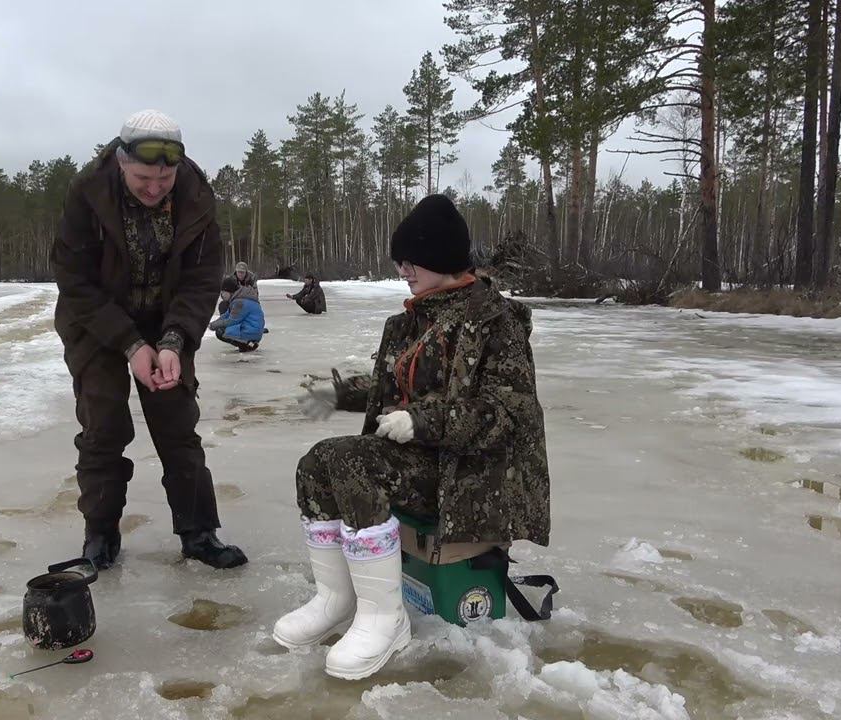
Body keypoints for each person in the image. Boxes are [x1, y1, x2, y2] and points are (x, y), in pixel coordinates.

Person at [271, 194, 550, 680]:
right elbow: (391, 385)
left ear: (442, 257)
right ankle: (337, 599)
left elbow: (506, 413)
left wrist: (425, 422)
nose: (402, 269)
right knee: (317, 463)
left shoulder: (496, 324)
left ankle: (386, 618)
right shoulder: (408, 321)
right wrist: (339, 394)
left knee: (352, 460)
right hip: (419, 464)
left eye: (410, 259)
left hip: (467, 476)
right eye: (399, 260)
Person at [51, 109, 248, 571]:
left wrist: (173, 340)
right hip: (96, 320)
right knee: (103, 426)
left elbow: (202, 280)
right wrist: (129, 343)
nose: (155, 187)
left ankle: (199, 532)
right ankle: (100, 534)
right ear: (122, 162)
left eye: (165, 177)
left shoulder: (196, 196)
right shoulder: (87, 194)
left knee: (178, 424)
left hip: (166, 319)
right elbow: (74, 281)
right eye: (143, 177)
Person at [209, 276, 265, 352]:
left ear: (229, 291)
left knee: (220, 331)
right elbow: (226, 314)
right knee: (222, 328)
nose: (221, 295)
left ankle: (248, 344)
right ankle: (246, 343)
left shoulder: (239, 302)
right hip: (253, 329)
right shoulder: (239, 298)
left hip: (252, 331)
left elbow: (232, 320)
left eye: (222, 292)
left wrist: (214, 325)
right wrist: (212, 324)